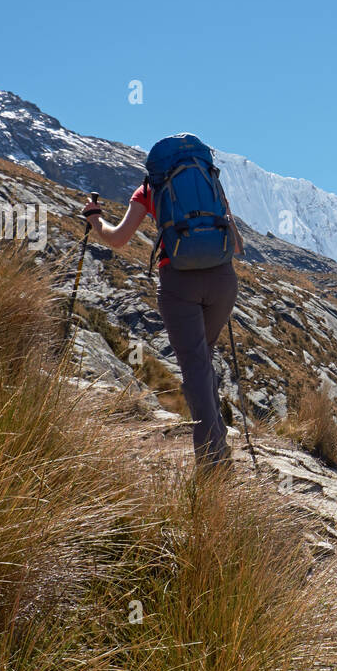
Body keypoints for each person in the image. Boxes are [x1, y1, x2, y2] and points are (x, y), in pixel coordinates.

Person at [81, 179, 242, 473]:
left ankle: (213, 467)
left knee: (194, 368)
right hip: (223, 280)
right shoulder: (209, 183)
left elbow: (118, 239)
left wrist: (95, 219)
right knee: (202, 359)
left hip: (178, 282)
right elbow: (237, 242)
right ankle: (218, 443)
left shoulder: (149, 189)